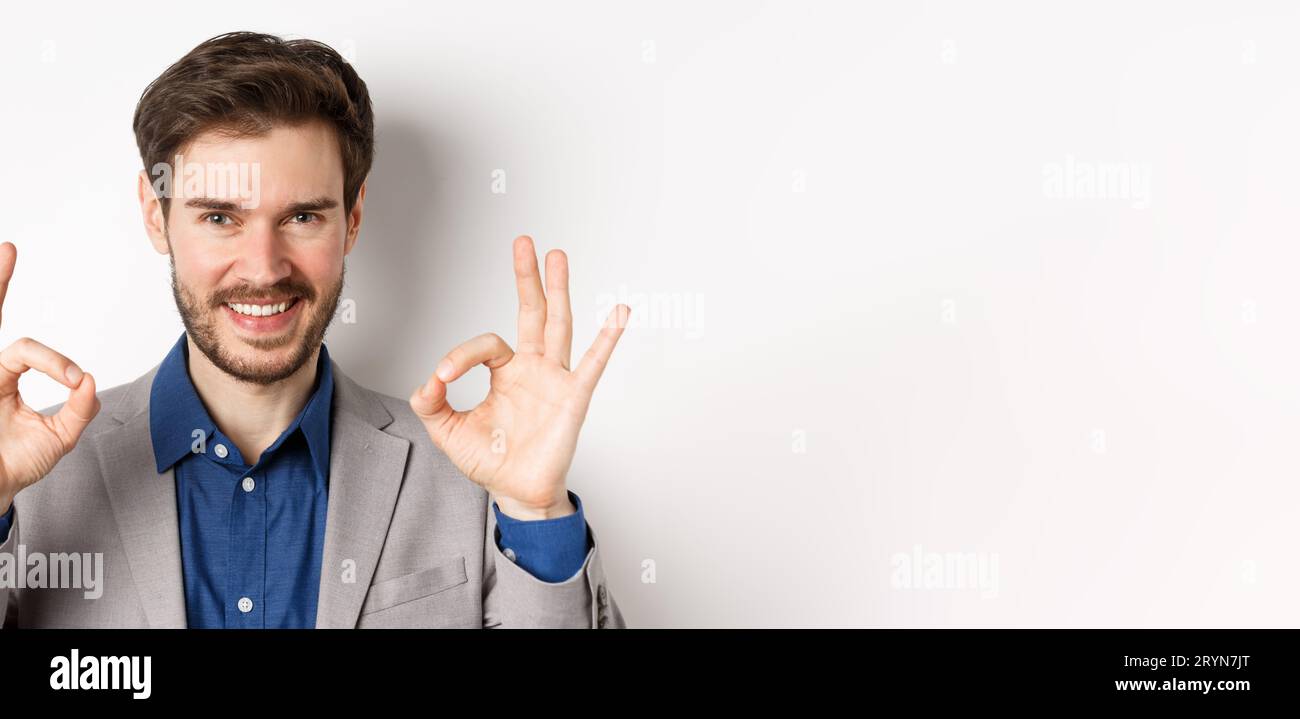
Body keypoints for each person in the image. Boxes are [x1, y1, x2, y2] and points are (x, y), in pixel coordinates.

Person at [0, 31, 629, 628]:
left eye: (302, 216)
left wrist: (536, 513)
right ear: (156, 216)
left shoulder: (474, 478)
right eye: (220, 217)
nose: (263, 268)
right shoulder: (28, 479)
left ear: (352, 219)